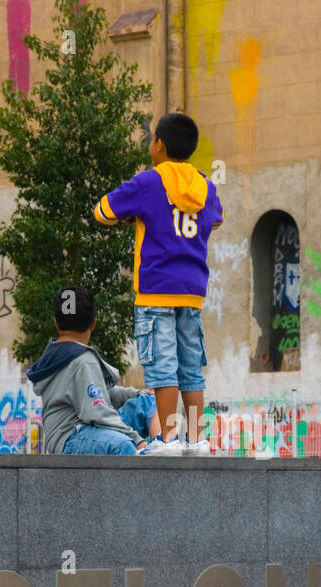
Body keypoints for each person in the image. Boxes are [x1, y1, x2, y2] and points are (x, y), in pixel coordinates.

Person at [93, 112, 224, 455]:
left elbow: (103, 211)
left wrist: (138, 214)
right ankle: (196, 440)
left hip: (155, 290)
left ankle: (166, 439)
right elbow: (217, 219)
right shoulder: (206, 186)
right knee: (191, 368)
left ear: (159, 145)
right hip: (192, 293)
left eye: (152, 138)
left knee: (162, 366)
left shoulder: (148, 182)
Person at [25, 287, 170, 456]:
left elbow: (98, 393)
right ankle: (151, 466)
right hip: (72, 437)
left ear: (55, 322)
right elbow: (97, 411)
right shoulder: (83, 360)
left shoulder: (56, 354)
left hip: (91, 428)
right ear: (93, 323)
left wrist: (134, 393)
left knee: (148, 400)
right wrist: (137, 440)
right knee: (123, 445)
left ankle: (160, 448)